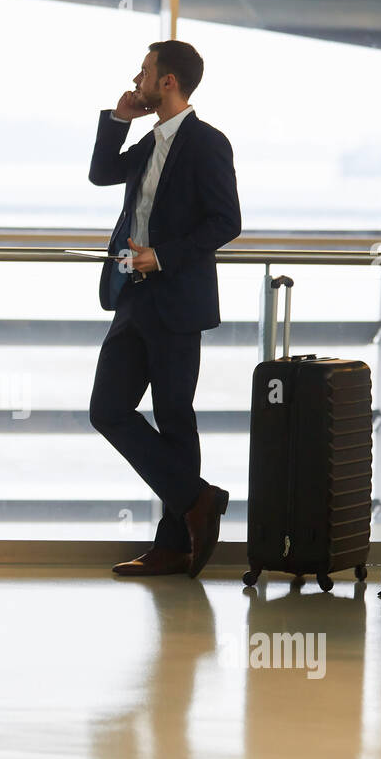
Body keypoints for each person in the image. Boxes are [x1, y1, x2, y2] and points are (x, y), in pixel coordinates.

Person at [87, 39, 242, 578]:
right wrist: (119, 118)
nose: (138, 78)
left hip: (176, 298)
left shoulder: (207, 143)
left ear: (168, 81)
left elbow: (227, 222)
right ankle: (197, 498)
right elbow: (102, 174)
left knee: (175, 420)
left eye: (146, 71)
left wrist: (165, 257)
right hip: (132, 297)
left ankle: (174, 544)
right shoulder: (150, 140)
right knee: (107, 410)